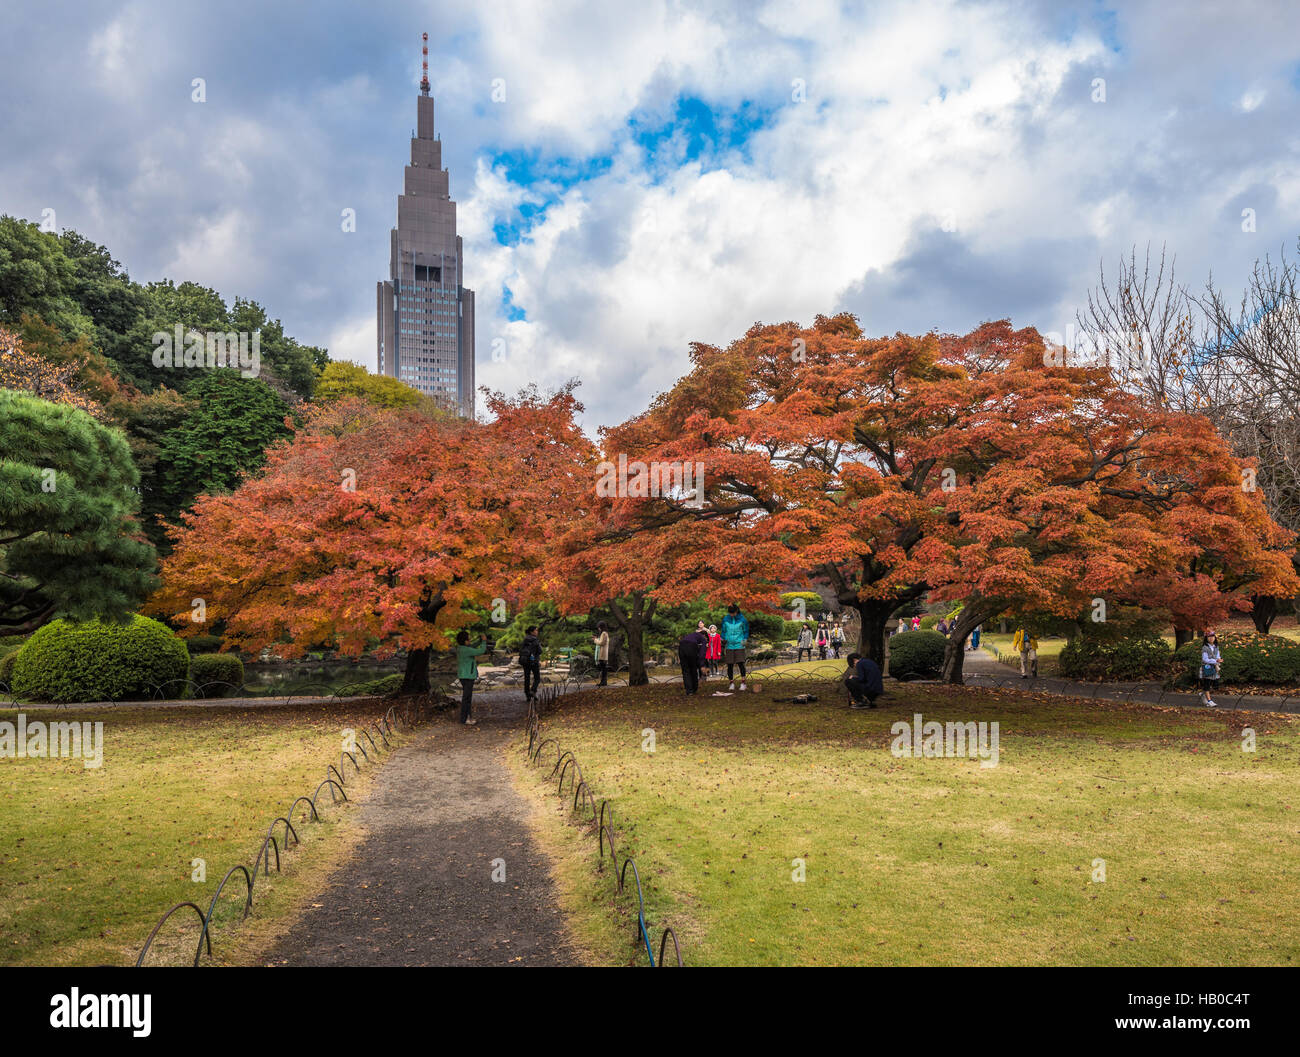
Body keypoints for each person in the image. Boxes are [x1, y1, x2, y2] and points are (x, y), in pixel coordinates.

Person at [455, 630, 488, 725]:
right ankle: (464, 719)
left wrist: (479, 640)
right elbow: (481, 651)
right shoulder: (466, 650)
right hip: (468, 676)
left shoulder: (461, 648)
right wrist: (484, 641)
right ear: (465, 641)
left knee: (467, 698)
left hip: (464, 675)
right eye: (468, 639)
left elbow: (472, 646)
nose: (470, 641)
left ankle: (467, 718)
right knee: (466, 698)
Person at [721, 604, 750, 691]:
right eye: (730, 613)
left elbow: (746, 631)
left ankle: (743, 683)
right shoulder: (725, 619)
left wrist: (744, 639)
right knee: (729, 665)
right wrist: (723, 638)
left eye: (732, 613)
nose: (731, 615)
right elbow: (723, 631)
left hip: (739, 644)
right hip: (729, 645)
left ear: (736, 611)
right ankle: (731, 683)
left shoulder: (742, 620)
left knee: (741, 663)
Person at [678, 626, 709, 695]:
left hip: (681, 647)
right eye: (707, 640)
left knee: (685, 671)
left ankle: (689, 691)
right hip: (691, 647)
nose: (706, 642)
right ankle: (694, 689)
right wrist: (702, 665)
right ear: (704, 636)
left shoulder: (692, 635)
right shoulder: (703, 638)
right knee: (693, 668)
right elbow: (702, 653)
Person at [519, 625, 542, 702]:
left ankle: (527, 695)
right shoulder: (535, 640)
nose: (537, 632)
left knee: (527, 678)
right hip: (534, 661)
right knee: (537, 678)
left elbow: (521, 650)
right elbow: (540, 651)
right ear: (531, 632)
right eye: (536, 630)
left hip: (525, 661)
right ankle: (533, 691)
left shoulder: (525, 639)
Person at [1200, 629, 1222, 708]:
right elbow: (1205, 659)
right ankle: (1209, 701)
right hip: (1207, 668)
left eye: (1212, 636)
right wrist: (1215, 660)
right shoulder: (1205, 648)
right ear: (1206, 638)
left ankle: (1203, 694)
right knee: (1207, 684)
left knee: (1214, 684)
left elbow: (1218, 655)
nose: (1211, 638)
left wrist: (1219, 660)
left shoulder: (1216, 647)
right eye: (1209, 637)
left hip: (1215, 668)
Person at [592, 622, 610, 686]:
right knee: (603, 669)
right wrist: (596, 639)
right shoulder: (604, 633)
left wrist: (595, 640)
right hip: (603, 654)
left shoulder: (604, 633)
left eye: (599, 627)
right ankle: (603, 682)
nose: (598, 629)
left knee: (603, 669)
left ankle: (603, 682)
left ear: (601, 627)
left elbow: (602, 643)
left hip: (603, 654)